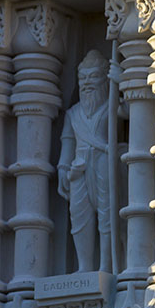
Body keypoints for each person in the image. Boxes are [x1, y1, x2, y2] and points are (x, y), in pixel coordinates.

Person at [58, 50, 112, 272]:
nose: (88, 83)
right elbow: (68, 143)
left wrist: (121, 81)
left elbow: (130, 112)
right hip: (77, 169)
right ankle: (85, 267)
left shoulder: (110, 107)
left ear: (104, 79)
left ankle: (106, 266)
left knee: (106, 216)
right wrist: (62, 168)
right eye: (83, 78)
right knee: (80, 218)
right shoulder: (73, 114)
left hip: (103, 163)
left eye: (94, 76)